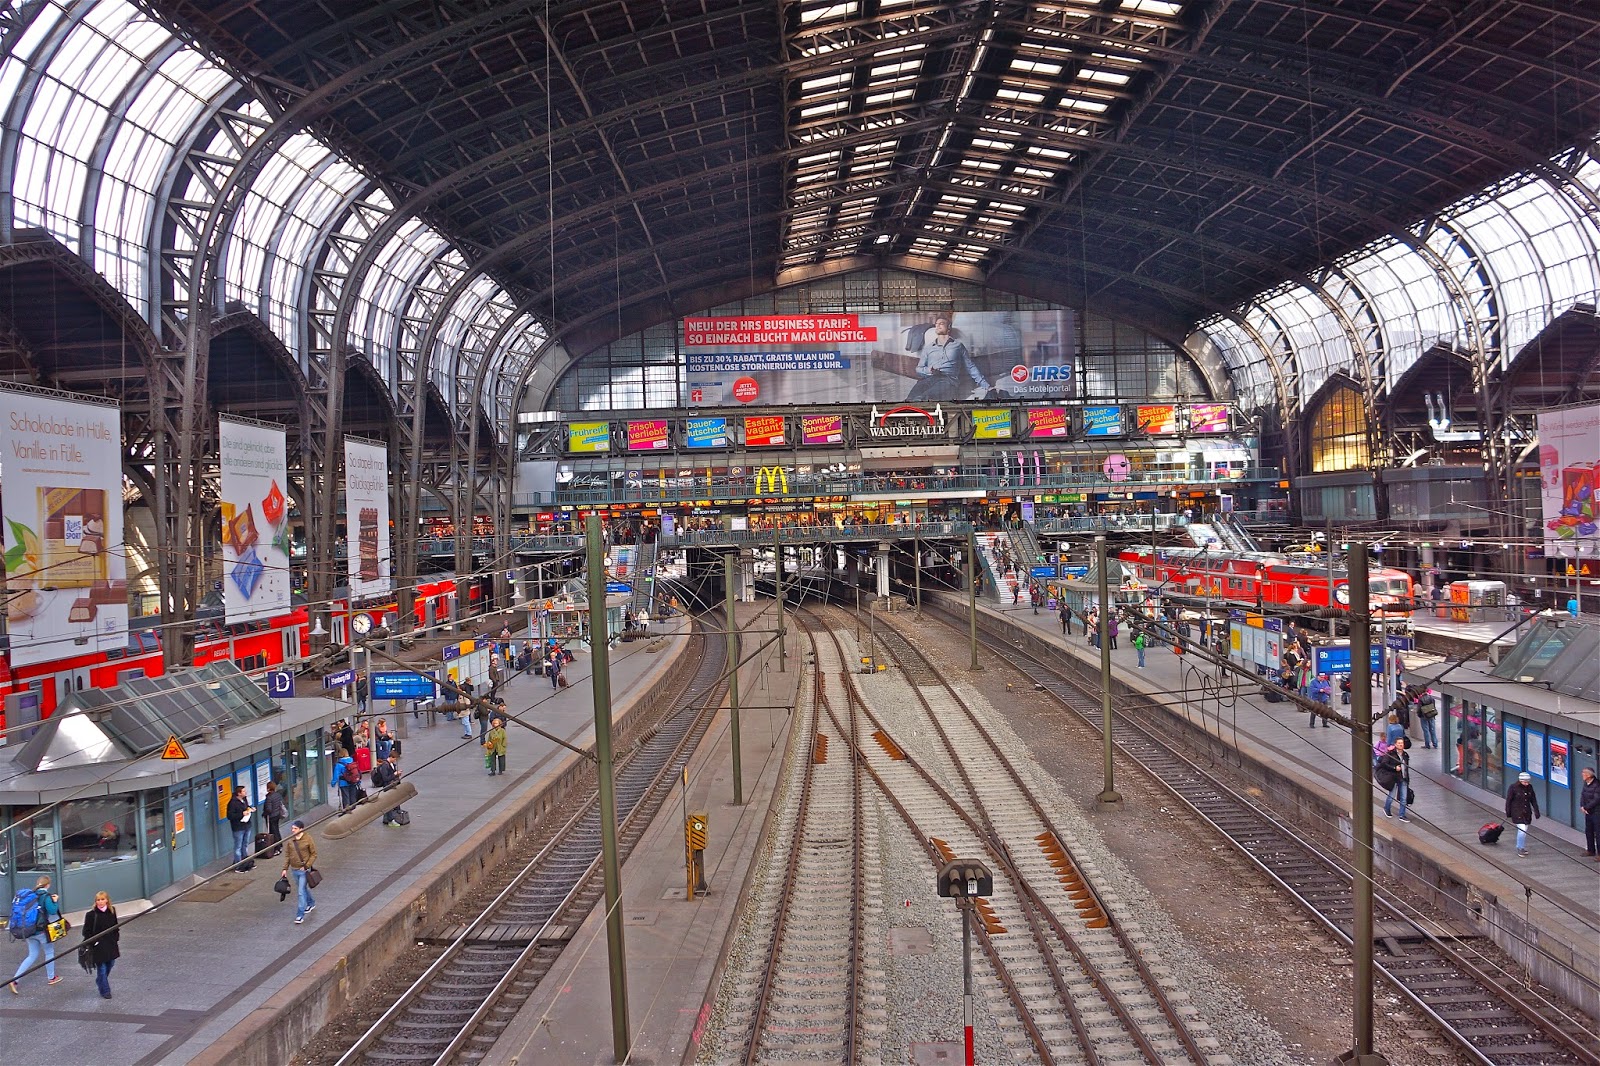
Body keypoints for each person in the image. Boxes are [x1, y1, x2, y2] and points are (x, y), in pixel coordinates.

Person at [906, 314, 989, 402]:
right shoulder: (928, 348)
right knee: (909, 400)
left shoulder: (958, 346)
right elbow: (918, 369)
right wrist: (928, 370)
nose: (937, 326)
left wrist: (985, 385)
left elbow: (970, 367)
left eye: (941, 323)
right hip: (929, 378)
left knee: (924, 398)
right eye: (936, 324)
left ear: (948, 327)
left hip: (948, 380)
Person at [8, 875, 63, 992]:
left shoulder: (30, 896)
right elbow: (52, 910)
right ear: (48, 885)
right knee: (49, 952)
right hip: (41, 931)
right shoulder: (45, 896)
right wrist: (55, 901)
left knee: (32, 955)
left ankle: (15, 980)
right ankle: (51, 977)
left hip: (29, 930)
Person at [81, 891, 120, 999]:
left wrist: (116, 938)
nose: (100, 902)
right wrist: (95, 942)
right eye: (98, 900)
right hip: (98, 946)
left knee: (110, 964)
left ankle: (100, 981)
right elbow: (86, 931)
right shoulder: (91, 915)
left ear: (107, 900)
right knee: (101, 968)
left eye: (102, 899)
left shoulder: (112, 911)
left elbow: (116, 926)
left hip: (110, 944)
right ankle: (105, 990)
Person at [281, 821, 318, 924]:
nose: (293, 830)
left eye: (295, 828)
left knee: (301, 892)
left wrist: (307, 865)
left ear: (301, 829)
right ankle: (311, 903)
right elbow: (288, 856)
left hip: (304, 871)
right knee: (303, 889)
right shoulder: (290, 841)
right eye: (292, 828)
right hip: (294, 870)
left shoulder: (308, 839)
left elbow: (314, 854)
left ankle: (300, 915)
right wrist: (285, 869)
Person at [1504, 771, 1541, 857]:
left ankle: (1522, 847)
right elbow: (1508, 801)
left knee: (1524, 831)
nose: (1526, 784)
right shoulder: (1513, 788)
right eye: (1525, 782)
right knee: (1522, 830)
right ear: (1520, 780)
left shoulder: (1530, 788)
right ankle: (1520, 847)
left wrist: (1536, 811)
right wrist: (1508, 812)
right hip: (1517, 812)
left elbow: (1533, 800)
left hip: (1527, 813)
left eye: (1528, 782)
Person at [1376, 737, 1411, 822]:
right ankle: (1386, 808)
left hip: (1403, 778)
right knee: (1392, 795)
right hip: (1394, 778)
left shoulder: (1405, 755)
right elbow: (1384, 763)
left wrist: (1407, 778)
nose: (1401, 745)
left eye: (1402, 743)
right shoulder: (1391, 754)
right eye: (1399, 743)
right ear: (1395, 744)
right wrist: (1394, 767)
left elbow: (1406, 768)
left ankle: (1402, 815)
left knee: (1403, 797)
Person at [226, 786, 254, 866]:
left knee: (245, 844)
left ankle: (245, 861)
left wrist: (250, 809)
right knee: (238, 846)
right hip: (238, 827)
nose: (245, 792)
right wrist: (241, 814)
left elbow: (246, 807)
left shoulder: (244, 799)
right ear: (239, 793)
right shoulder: (232, 803)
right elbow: (230, 816)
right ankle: (238, 865)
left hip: (246, 825)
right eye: (244, 791)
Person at [1580, 766, 1599, 859]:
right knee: (1589, 831)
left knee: (1598, 833)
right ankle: (1590, 850)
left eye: (1583, 773)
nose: (1582, 775)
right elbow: (1582, 795)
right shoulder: (1586, 783)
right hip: (1588, 812)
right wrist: (1582, 806)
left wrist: (1586, 807)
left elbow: (1596, 799)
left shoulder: (1597, 785)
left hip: (1596, 813)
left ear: (1588, 775)